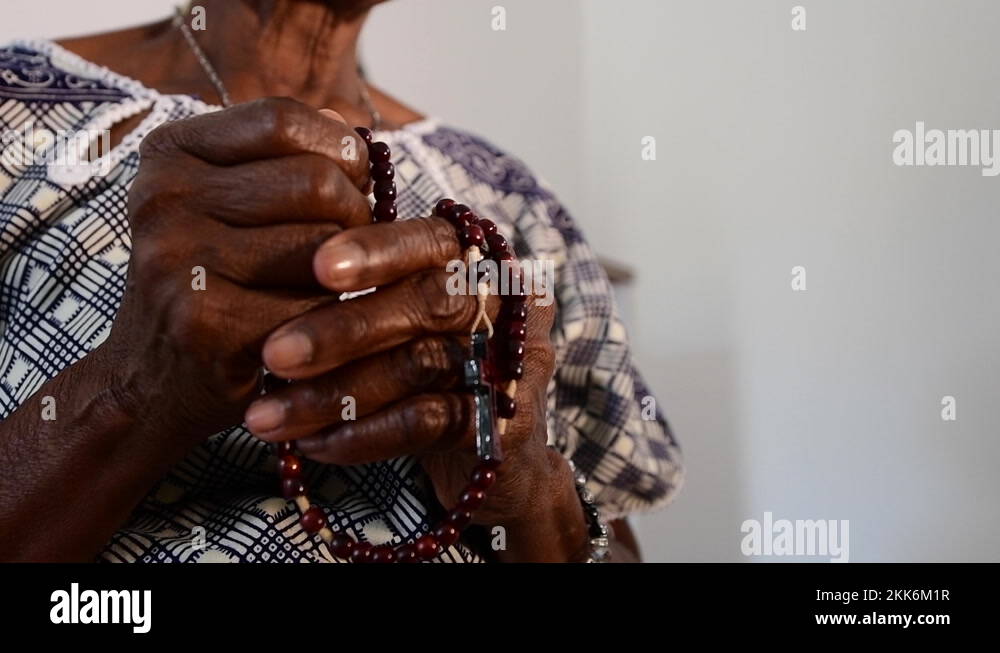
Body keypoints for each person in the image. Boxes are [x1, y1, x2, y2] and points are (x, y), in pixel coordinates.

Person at [0, 0, 682, 562]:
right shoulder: (20, 110)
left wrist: (527, 489)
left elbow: (616, 545)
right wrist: (132, 392)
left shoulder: (506, 195)